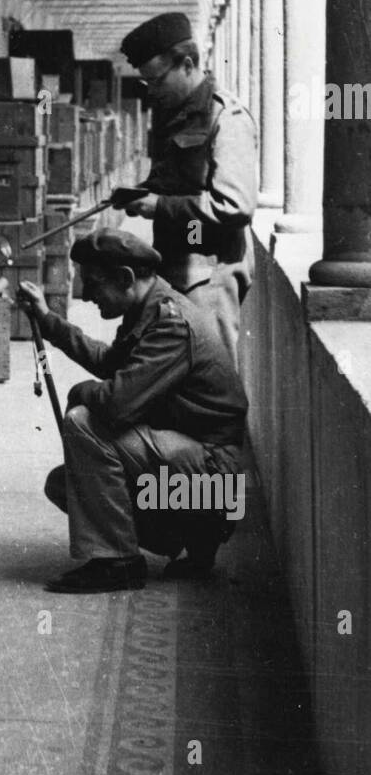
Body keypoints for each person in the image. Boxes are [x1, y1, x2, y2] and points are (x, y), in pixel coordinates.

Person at [18, 229, 248, 594]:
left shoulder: (171, 324)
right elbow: (111, 363)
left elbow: (115, 405)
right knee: (66, 484)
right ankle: (195, 538)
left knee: (84, 423)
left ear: (125, 278)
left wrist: (80, 392)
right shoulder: (150, 307)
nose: (87, 295)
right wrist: (48, 321)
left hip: (214, 477)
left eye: (93, 284)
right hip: (197, 467)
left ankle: (119, 562)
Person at [112, 12, 257, 364]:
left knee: (213, 381)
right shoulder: (176, 114)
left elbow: (235, 205)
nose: (153, 92)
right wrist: (142, 193)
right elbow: (180, 182)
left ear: (188, 64)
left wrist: (158, 206)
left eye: (157, 81)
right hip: (178, 268)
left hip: (209, 276)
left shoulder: (226, 117)